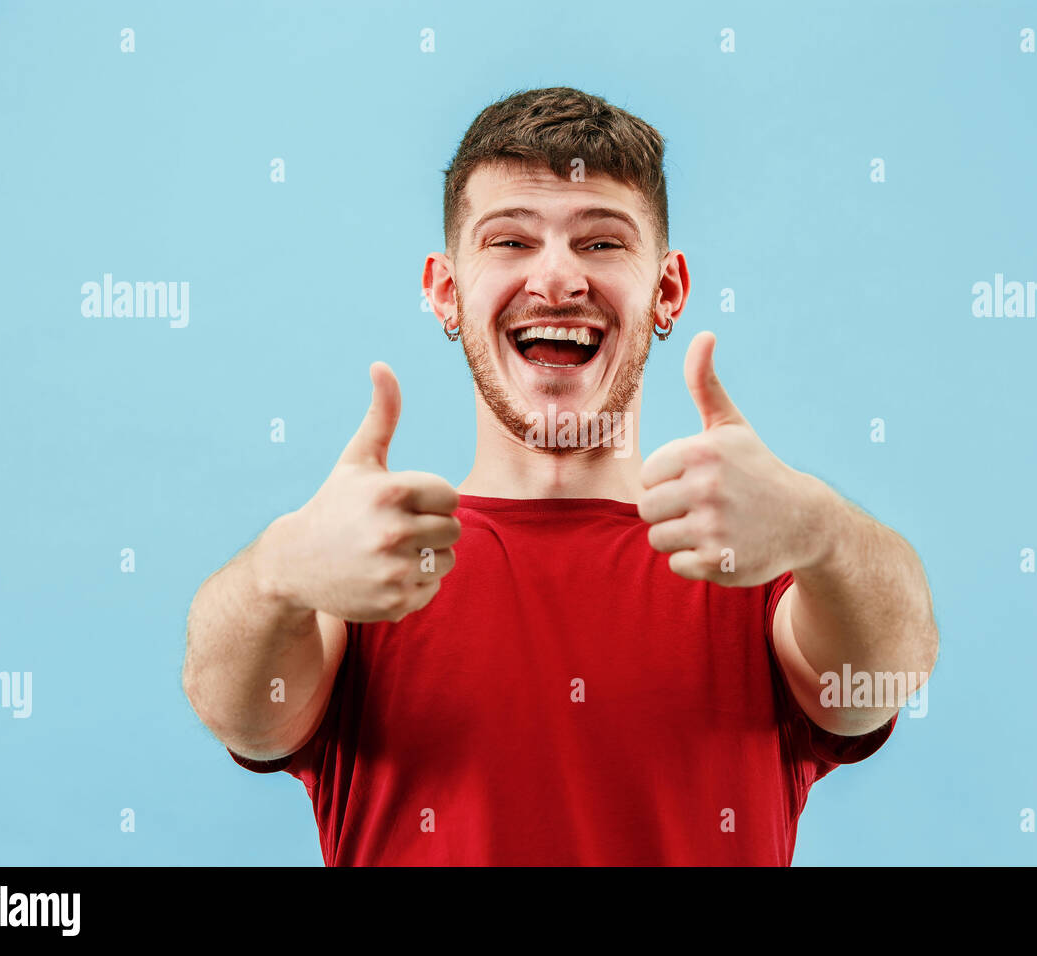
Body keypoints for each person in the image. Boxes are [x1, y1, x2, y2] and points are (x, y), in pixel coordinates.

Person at [182, 86, 939, 866]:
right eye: (509, 242)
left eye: (602, 243)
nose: (557, 280)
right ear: (445, 290)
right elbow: (240, 714)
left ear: (667, 291)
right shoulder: (366, 569)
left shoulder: (752, 561)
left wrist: (823, 532)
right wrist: (279, 570)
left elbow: (876, 687)